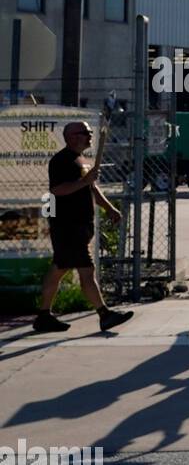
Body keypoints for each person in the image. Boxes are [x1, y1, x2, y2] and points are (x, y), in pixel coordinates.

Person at [32, 121, 133, 333]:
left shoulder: (81, 160)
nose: (89, 136)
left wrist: (108, 208)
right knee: (87, 271)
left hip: (78, 227)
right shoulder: (61, 161)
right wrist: (83, 181)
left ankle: (43, 316)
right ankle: (104, 314)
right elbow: (58, 190)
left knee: (59, 268)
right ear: (71, 136)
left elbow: (92, 188)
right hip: (69, 227)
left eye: (89, 132)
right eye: (85, 133)